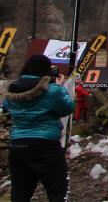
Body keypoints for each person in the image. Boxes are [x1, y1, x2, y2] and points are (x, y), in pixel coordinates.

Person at [2, 54, 74, 202]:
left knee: (20, 192)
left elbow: (7, 108)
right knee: (58, 189)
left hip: (18, 145)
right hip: (46, 146)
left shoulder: (13, 89)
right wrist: (59, 87)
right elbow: (67, 108)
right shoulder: (52, 90)